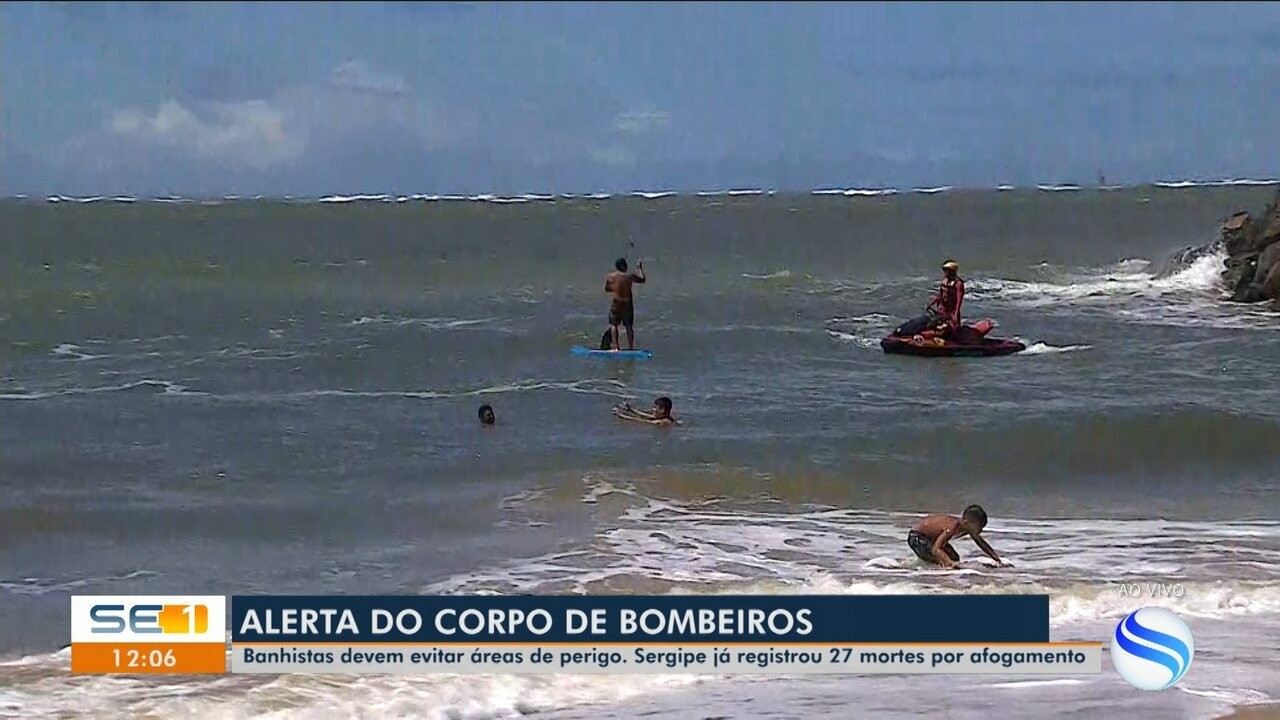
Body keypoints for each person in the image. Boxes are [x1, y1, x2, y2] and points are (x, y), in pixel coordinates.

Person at [907, 504, 1004, 569]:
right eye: (979, 527)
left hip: (930, 540)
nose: (980, 531)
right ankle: (932, 578)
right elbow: (936, 549)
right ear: (966, 521)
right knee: (945, 561)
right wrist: (949, 563)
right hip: (916, 537)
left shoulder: (968, 527)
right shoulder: (953, 525)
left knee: (955, 557)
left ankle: (928, 569)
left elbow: (982, 544)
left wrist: (998, 560)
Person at [603, 257, 646, 351]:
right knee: (628, 326)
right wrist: (639, 268)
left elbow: (607, 289)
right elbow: (642, 279)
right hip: (627, 304)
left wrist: (616, 288)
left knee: (613, 325)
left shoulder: (610, 276)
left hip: (616, 303)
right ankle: (631, 347)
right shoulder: (629, 276)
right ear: (624, 266)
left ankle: (616, 347)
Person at [926, 260, 965, 338]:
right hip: (943, 309)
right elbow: (940, 295)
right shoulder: (944, 281)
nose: (945, 272)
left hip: (952, 310)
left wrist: (956, 314)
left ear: (952, 271)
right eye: (945, 270)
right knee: (935, 325)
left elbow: (959, 300)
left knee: (954, 330)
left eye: (947, 270)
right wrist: (931, 304)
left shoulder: (958, 283)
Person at [613, 396, 678, 427]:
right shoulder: (664, 416)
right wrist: (630, 409)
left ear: (662, 410)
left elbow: (642, 421)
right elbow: (646, 416)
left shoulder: (664, 422)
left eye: (655, 407)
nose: (653, 409)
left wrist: (621, 415)